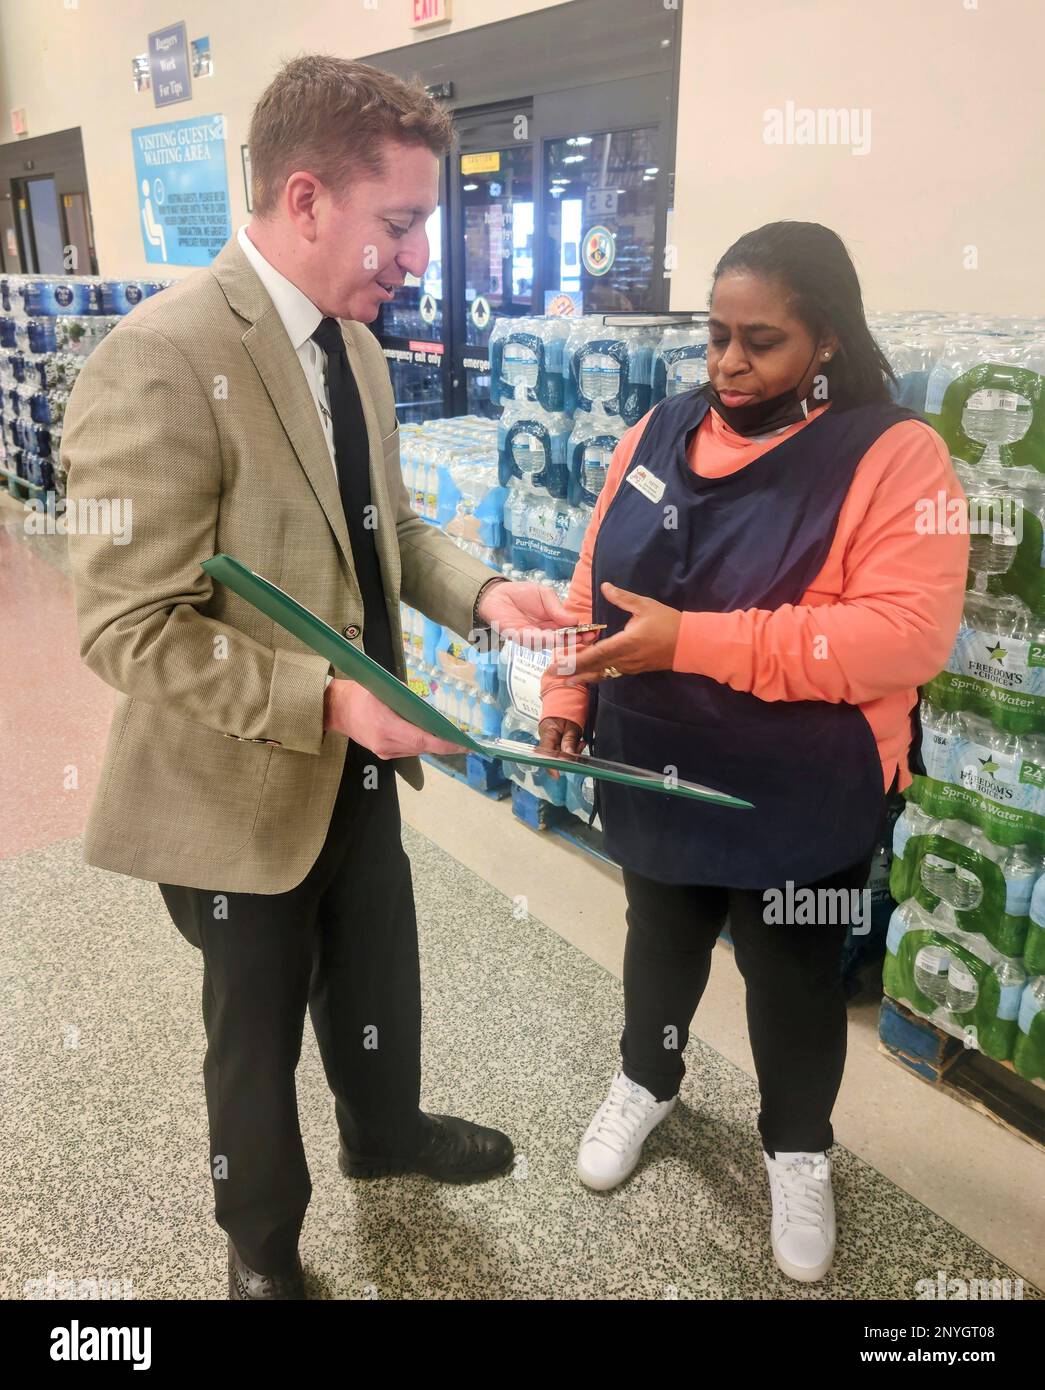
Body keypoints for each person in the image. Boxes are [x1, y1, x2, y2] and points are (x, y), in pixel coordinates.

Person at [62, 55, 570, 1300]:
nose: (411, 257)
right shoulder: (163, 358)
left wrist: (488, 596)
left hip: (359, 765)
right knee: (253, 1032)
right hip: (233, 789)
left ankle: (384, 1134)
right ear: (305, 199)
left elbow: (386, 529)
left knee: (378, 965)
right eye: (395, 225)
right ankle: (262, 1248)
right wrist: (324, 699)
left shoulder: (355, 345)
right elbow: (130, 623)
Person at [538, 221, 970, 1283]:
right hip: (654, 755)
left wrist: (694, 639)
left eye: (760, 341)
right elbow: (594, 569)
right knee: (661, 935)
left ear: (823, 338)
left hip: (798, 786)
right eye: (715, 338)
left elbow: (899, 637)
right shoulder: (658, 428)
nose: (728, 365)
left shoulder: (893, 455)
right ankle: (647, 1080)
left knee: (791, 975)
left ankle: (796, 1147)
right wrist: (564, 688)